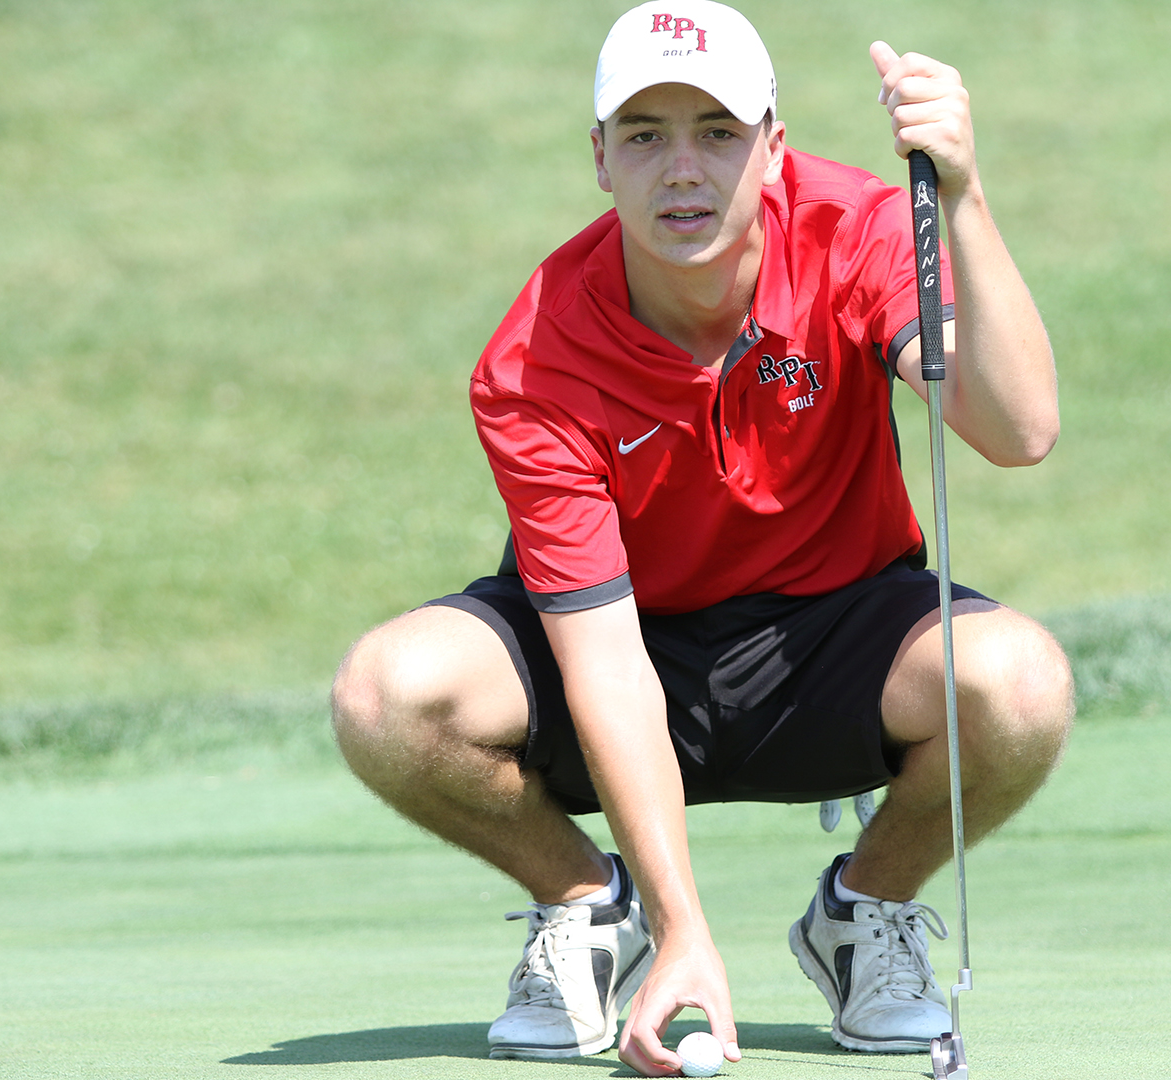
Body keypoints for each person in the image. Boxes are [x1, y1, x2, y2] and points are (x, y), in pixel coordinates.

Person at [329, 2, 1072, 1075]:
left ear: (773, 147)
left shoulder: (856, 228)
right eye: (644, 135)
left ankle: (865, 912)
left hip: (830, 639)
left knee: (1020, 685)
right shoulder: (537, 353)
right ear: (599, 159)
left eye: (717, 132)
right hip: (623, 646)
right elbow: (606, 659)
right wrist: (685, 927)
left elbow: (1019, 430)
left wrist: (962, 194)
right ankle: (589, 906)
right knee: (385, 694)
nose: (682, 169)